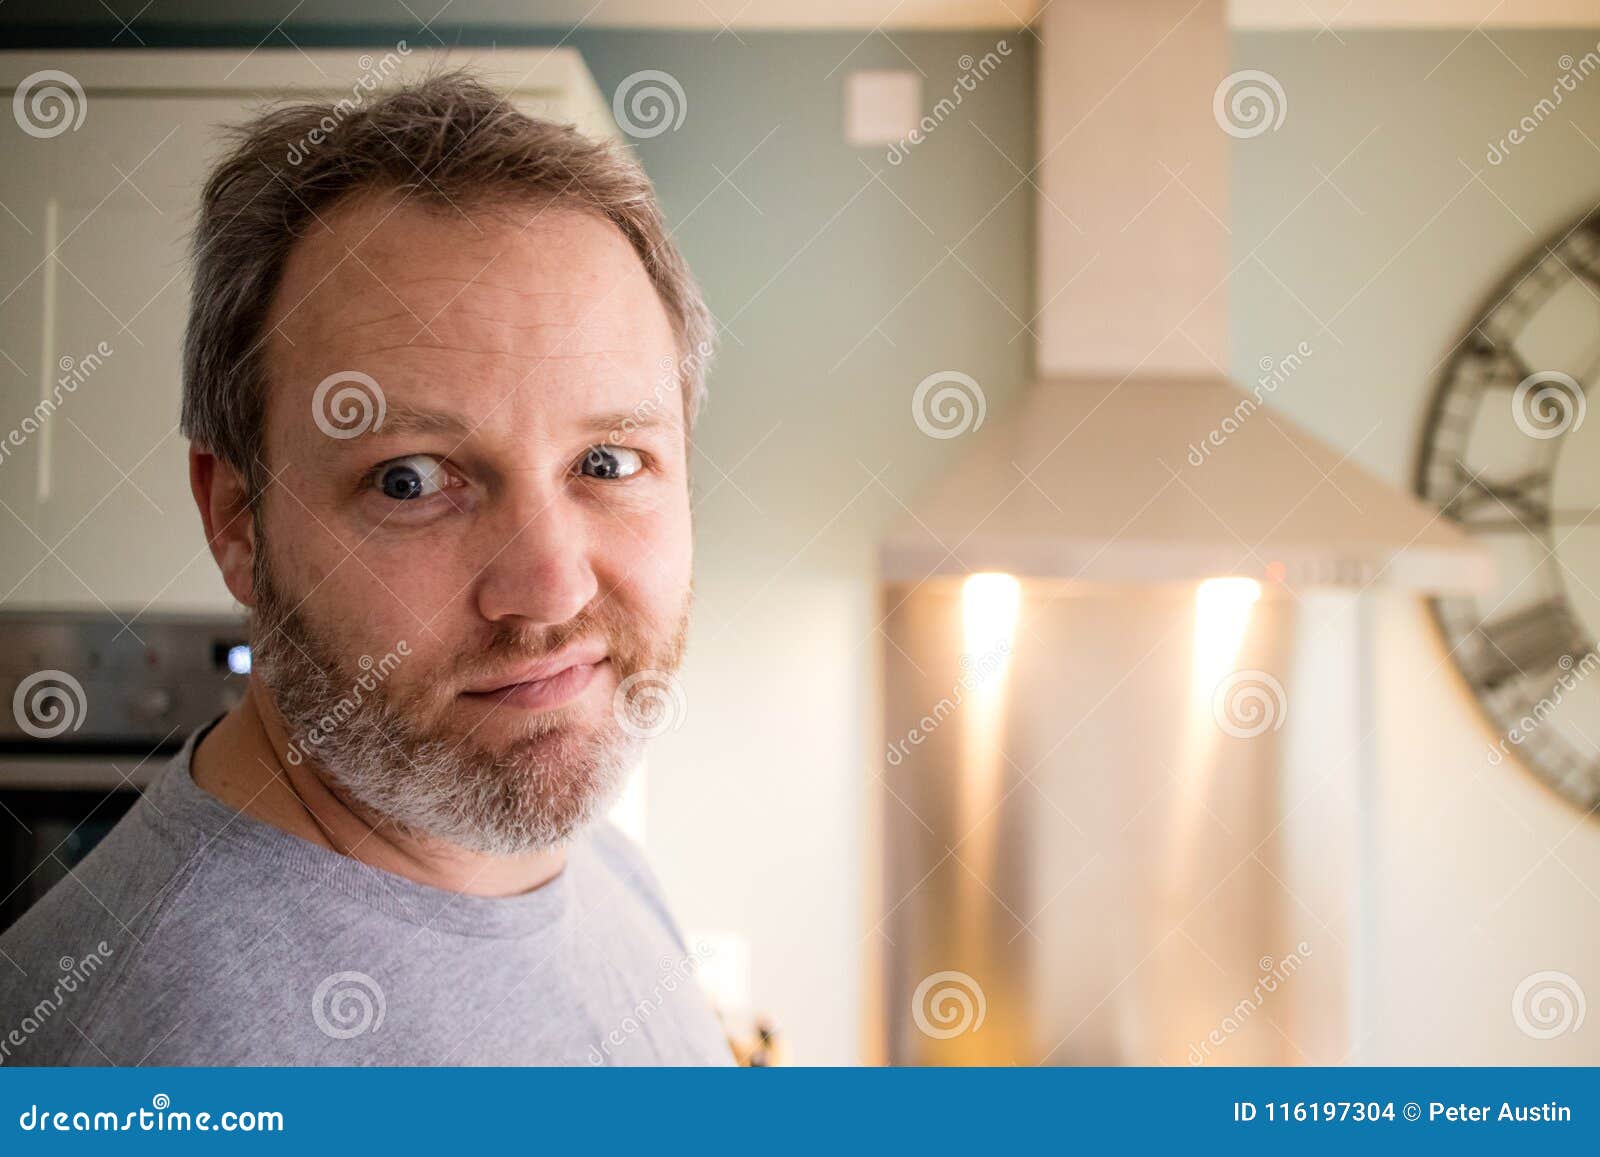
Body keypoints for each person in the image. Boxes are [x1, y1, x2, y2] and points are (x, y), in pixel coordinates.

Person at [0, 72, 731, 1066]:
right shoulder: (149, 1058)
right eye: (410, 478)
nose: (552, 587)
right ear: (237, 520)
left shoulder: (593, 859)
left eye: (607, 462)